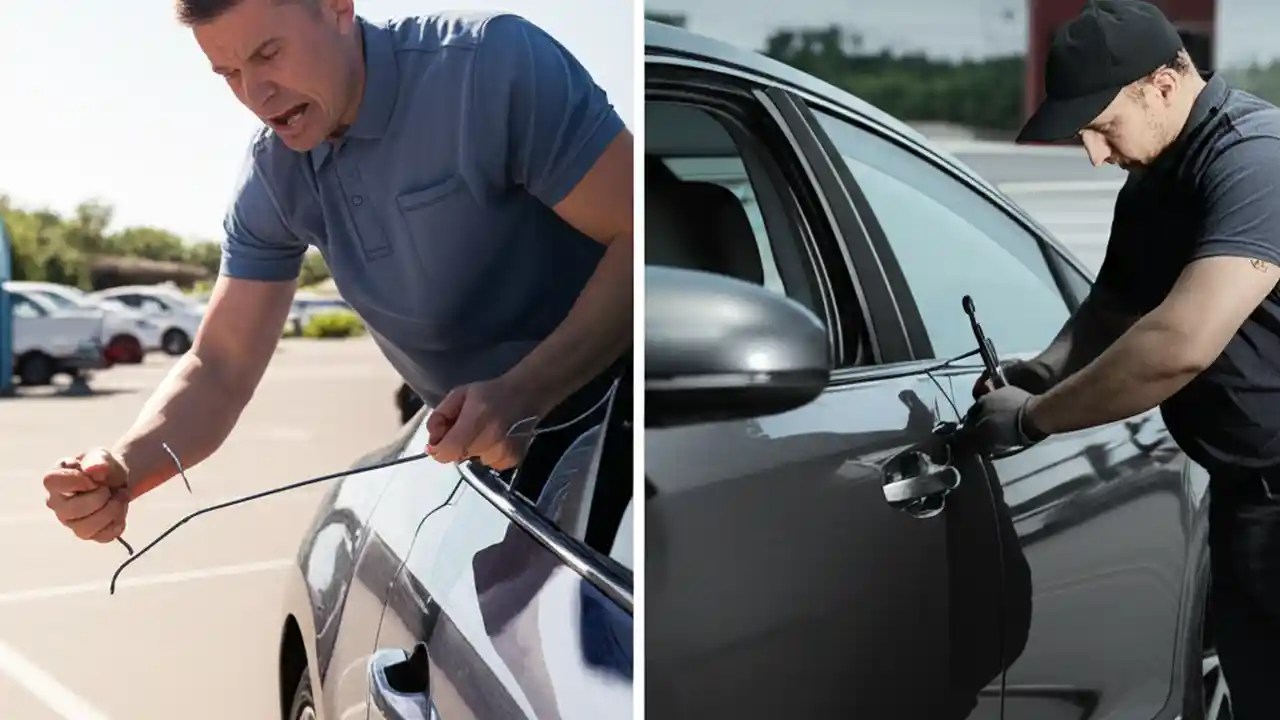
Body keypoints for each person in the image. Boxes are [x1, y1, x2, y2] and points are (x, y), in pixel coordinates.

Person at [41, 0, 632, 546]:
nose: (256, 95)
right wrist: (125, 466)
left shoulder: (491, 66)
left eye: (268, 54)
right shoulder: (273, 174)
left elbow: (639, 236)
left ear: (338, 6)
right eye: (228, 74)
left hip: (627, 429)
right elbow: (220, 365)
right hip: (475, 454)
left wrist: (528, 391)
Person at [964, 1, 1280, 715]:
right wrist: (1040, 371)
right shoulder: (1154, 180)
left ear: (1162, 85)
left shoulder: (1255, 160)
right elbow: (1111, 310)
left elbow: (1178, 345)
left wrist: (1034, 418)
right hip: (1245, 497)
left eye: (1102, 127)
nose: (1095, 154)